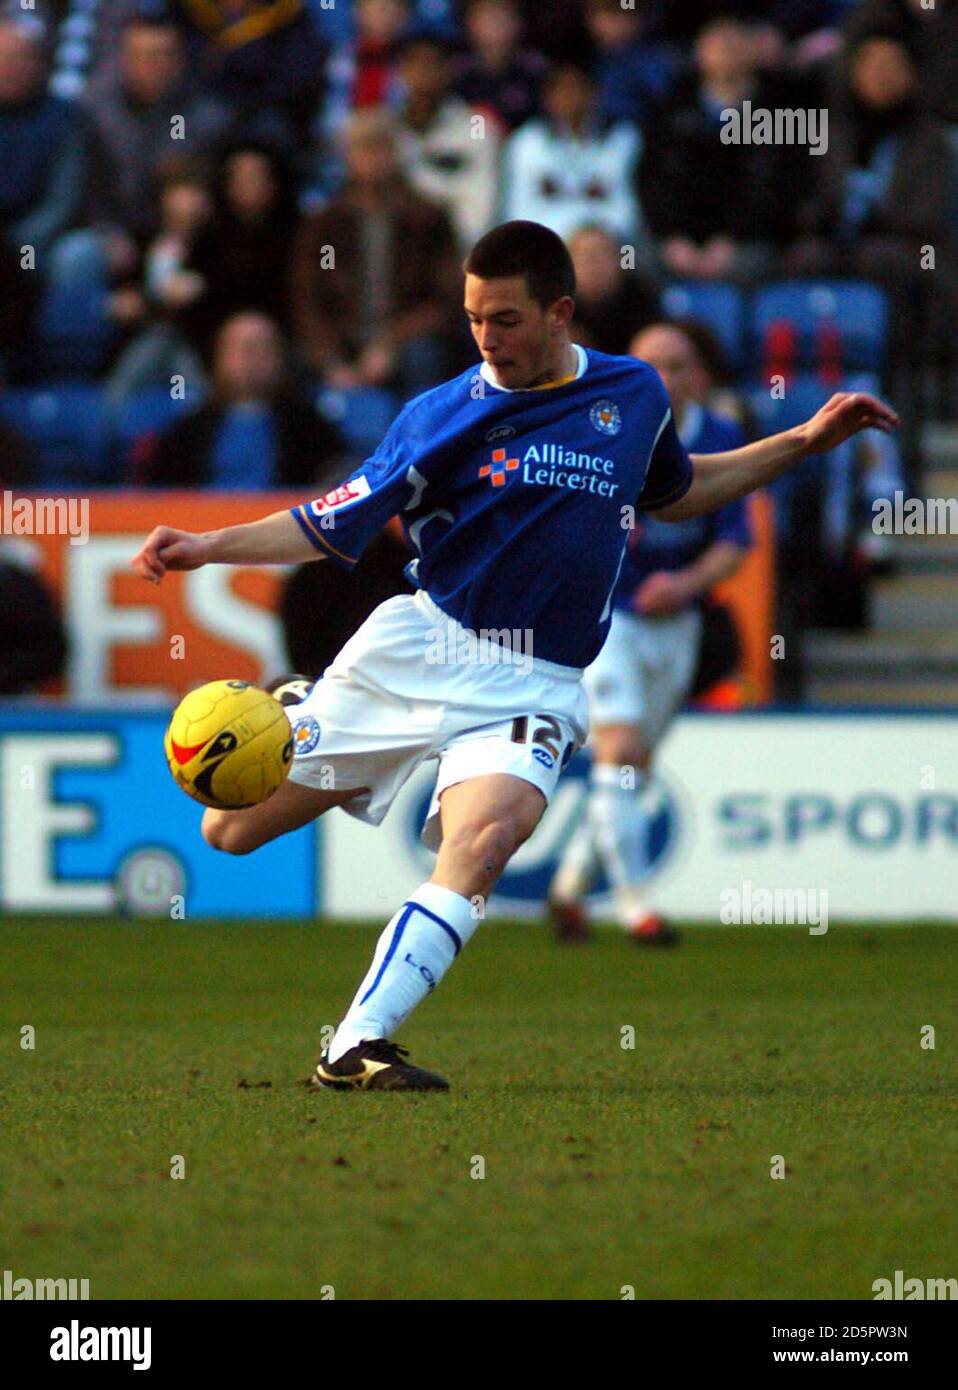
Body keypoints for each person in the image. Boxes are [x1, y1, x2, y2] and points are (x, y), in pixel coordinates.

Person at [132, 220, 898, 1092]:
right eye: (472, 319)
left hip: (535, 680)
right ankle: (320, 721)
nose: (485, 339)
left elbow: (680, 497)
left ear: (560, 313)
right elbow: (326, 523)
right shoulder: (441, 416)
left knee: (486, 839)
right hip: (421, 650)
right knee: (226, 831)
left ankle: (354, 1044)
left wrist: (801, 443)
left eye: (503, 319)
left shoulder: (635, 395)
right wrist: (205, 545)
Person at [547, 322, 752, 946]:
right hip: (611, 619)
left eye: (679, 364)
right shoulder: (603, 435)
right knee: (622, 748)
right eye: (651, 365)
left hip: (678, 621)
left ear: (700, 376)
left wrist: (685, 586)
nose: (666, 377)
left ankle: (569, 887)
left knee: (637, 764)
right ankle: (638, 909)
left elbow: (736, 542)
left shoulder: (719, 438)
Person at [290, 107, 460, 402]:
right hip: (343, 340)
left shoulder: (427, 218)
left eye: (381, 148)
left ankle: (422, 441)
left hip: (407, 338)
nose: (373, 159)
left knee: (423, 357)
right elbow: (308, 297)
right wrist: (329, 359)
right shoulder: (325, 225)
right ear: (347, 157)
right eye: (363, 149)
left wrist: (390, 341)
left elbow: (446, 300)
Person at [141, 312, 347, 490]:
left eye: (262, 348)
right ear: (218, 357)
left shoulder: (310, 429)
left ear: (281, 357)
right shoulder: (187, 432)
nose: (251, 358)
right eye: (240, 348)